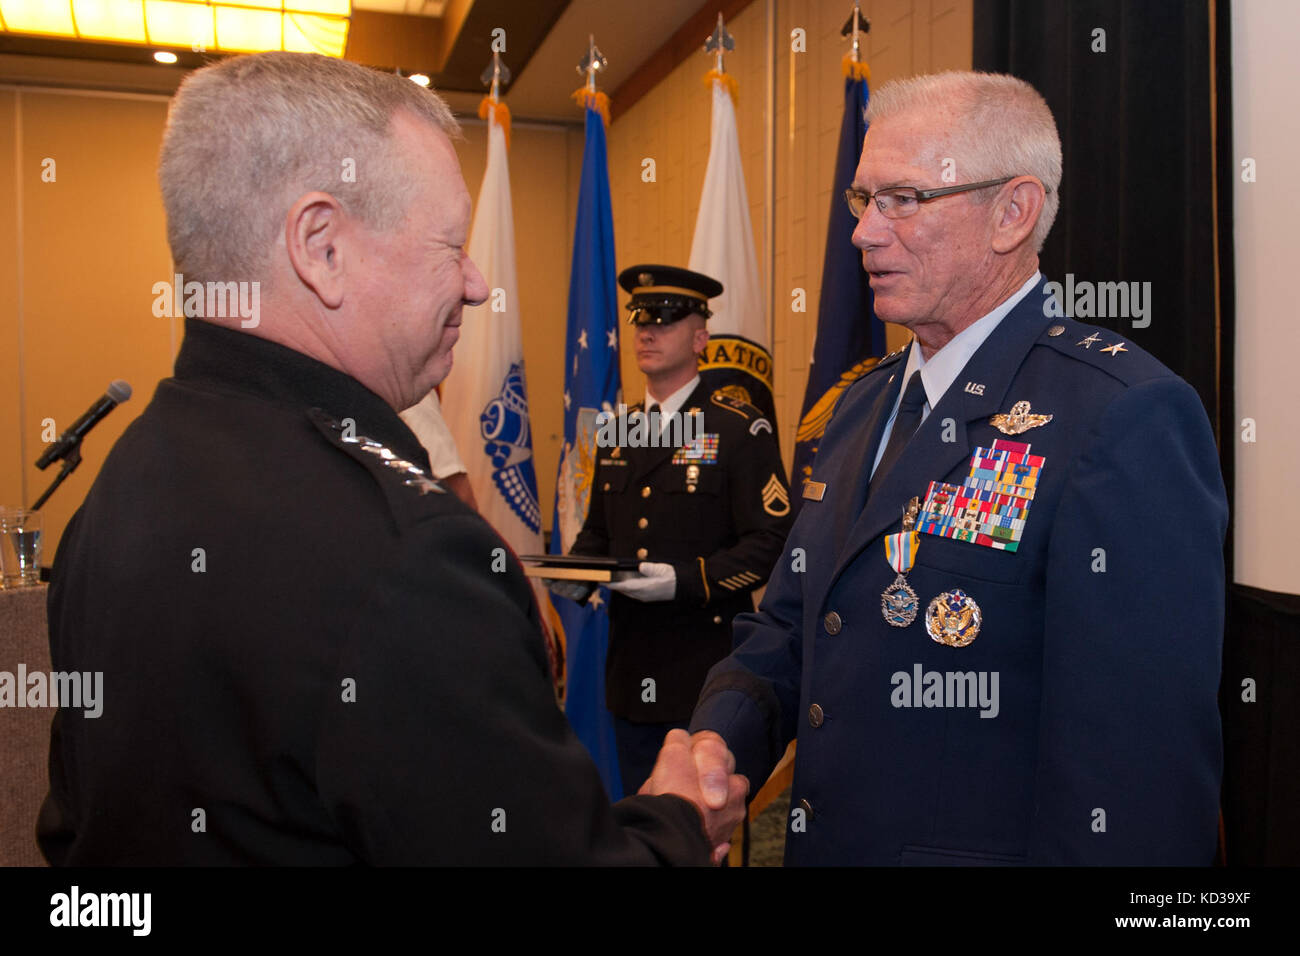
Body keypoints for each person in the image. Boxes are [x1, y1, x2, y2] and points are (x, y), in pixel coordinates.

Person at [38, 52, 745, 866]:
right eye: (450, 245)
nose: (478, 285)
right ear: (322, 246)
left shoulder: (124, 481)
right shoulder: (408, 552)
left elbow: (75, 832)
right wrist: (679, 826)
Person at [686, 71, 1228, 865]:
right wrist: (716, 744)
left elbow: (1135, 780)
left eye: (902, 200)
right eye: (862, 201)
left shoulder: (1120, 416)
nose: (864, 234)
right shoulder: (858, 408)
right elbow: (795, 627)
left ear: (1014, 213)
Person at [556, 265, 793, 799]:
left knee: (698, 824)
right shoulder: (619, 429)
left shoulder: (737, 428)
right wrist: (566, 574)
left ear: (700, 336)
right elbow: (596, 535)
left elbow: (772, 543)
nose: (646, 331)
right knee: (642, 818)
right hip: (631, 668)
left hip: (705, 672)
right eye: (640, 318)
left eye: (665, 319)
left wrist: (686, 581)